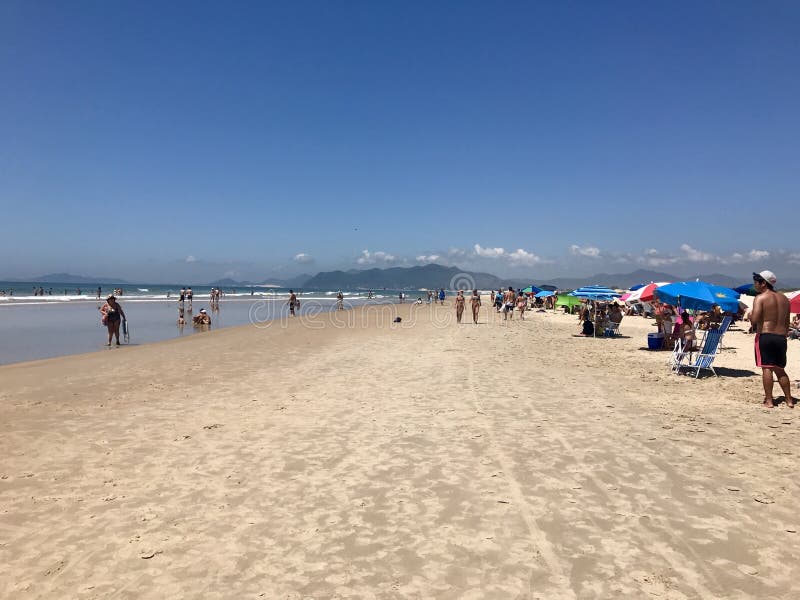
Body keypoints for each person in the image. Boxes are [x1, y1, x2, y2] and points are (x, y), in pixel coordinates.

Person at [751, 270, 794, 408]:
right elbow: (787, 322)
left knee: (767, 368)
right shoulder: (785, 299)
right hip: (781, 337)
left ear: (764, 283)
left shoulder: (760, 298)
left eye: (756, 282)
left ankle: (769, 401)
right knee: (780, 369)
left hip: (766, 335)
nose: (755, 284)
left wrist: (751, 315)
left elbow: (755, 319)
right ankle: (789, 400)